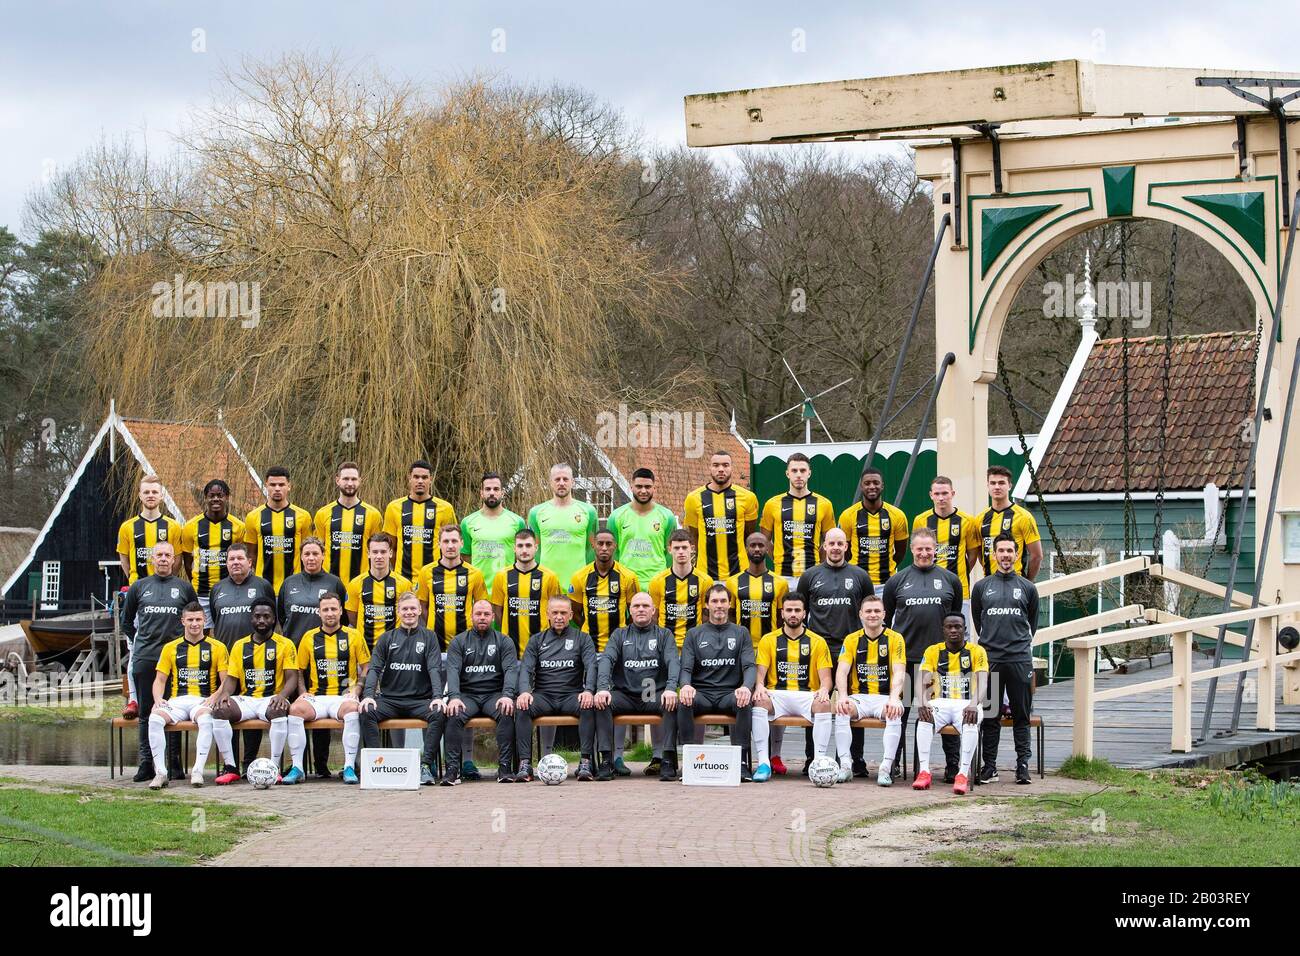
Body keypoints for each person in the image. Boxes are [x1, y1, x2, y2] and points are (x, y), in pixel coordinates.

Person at [880, 527, 964, 781]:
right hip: (905, 660)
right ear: (913, 550)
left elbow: (954, 617)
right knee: (899, 714)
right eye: (920, 548)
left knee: (944, 711)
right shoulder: (897, 581)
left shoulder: (951, 580)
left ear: (935, 549)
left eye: (929, 548)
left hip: (940, 662)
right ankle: (893, 763)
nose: (925, 553)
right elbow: (887, 616)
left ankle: (952, 766)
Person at [796, 528, 874, 776]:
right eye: (831, 543)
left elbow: (869, 609)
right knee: (817, 701)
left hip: (850, 648)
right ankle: (813, 758)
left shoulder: (860, 576)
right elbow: (801, 610)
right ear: (824, 546)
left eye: (840, 543)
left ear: (847, 546)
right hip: (819, 649)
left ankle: (855, 759)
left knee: (850, 701)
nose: (836, 548)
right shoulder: (810, 576)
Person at [121, 541, 198, 782]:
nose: (164, 559)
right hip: (146, 658)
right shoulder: (139, 587)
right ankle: (147, 763)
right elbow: (126, 622)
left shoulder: (184, 588)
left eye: (168, 555)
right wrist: (142, 641)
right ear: (152, 559)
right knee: (146, 712)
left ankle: (174, 762)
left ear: (174, 559)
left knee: (173, 711)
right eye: (159, 555)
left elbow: (194, 618)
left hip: (177, 660)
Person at [416, 523, 489, 779]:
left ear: (461, 544)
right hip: (435, 650)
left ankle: (467, 761)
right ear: (439, 544)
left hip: (464, 651)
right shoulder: (427, 573)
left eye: (454, 541)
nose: (450, 545)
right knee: (434, 705)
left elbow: (480, 608)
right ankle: (431, 761)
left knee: (461, 703)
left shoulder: (474, 574)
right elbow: (423, 609)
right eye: (445, 541)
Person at [569, 529, 640, 774]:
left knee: (614, 697)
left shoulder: (627, 577)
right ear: (593, 545)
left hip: (620, 651)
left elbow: (633, 612)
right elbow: (575, 612)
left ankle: (617, 757)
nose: (604, 548)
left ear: (615, 546)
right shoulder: (580, 577)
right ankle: (592, 757)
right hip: (589, 650)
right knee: (592, 700)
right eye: (600, 543)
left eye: (609, 544)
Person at [358, 592, 446, 786]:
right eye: (405, 609)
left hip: (419, 700)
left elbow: (434, 668)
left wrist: (438, 697)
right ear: (398, 612)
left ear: (420, 610)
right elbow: (374, 668)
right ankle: (377, 766)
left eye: (413, 608)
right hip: (390, 700)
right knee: (366, 711)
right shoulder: (386, 638)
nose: (409, 612)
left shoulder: (429, 637)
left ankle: (425, 766)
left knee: (439, 712)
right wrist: (368, 695)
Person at [972, 533, 1039, 785]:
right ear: (994, 554)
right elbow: (980, 623)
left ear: (1017, 554)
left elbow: (1032, 625)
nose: (1006, 555)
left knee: (1022, 715)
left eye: (1010, 551)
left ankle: (1023, 766)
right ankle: (990, 766)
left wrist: (1017, 644)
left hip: (1019, 659)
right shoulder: (982, 587)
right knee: (991, 716)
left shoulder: (1028, 588)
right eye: (1001, 551)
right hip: (991, 661)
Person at [146, 603, 238, 788]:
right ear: (182, 621)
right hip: (177, 701)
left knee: (206, 720)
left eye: (198, 619)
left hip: (202, 700)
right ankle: (161, 773)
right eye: (190, 620)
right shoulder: (170, 647)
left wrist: (215, 696)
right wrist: (157, 699)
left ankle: (197, 771)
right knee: (155, 719)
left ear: (205, 621)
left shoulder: (217, 647)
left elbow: (226, 680)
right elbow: (160, 680)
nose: (194, 624)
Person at [512, 596, 600, 783]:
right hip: (544, 696)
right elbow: (526, 668)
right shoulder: (536, 640)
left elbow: (592, 666)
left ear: (570, 615)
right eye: (555, 613)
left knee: (588, 705)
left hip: (572, 695)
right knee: (522, 707)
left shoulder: (582, 638)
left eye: (563, 613)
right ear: (547, 615)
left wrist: (589, 690)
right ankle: (525, 764)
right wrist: (525, 691)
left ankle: (585, 762)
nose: (559, 617)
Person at [116, 474, 183, 720]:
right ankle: (134, 699)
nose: (151, 496)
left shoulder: (173, 527)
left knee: (170, 649)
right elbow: (124, 558)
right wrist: (138, 584)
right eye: (147, 492)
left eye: (155, 492)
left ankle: (173, 696)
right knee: (135, 651)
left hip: (165, 596)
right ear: (140, 495)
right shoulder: (127, 527)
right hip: (139, 597)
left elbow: (176, 560)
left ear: (161, 495)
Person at [212, 598, 301, 782]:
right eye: (257, 616)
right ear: (250, 619)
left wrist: (283, 695)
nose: (262, 620)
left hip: (271, 699)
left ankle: (273, 767)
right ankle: (230, 767)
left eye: (266, 616)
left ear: (274, 619)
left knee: (278, 709)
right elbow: (231, 679)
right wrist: (225, 694)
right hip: (247, 699)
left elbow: (292, 677)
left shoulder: (285, 644)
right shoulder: (239, 645)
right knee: (220, 710)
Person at [645, 529, 712, 772]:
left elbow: (706, 617)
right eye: (677, 547)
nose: (681, 552)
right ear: (669, 549)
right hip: (665, 649)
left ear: (692, 549)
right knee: (654, 695)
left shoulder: (704, 581)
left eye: (685, 547)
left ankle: (697, 753)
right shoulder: (658, 581)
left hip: (695, 650)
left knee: (694, 696)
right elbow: (653, 619)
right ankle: (657, 755)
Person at [595, 592, 680, 781]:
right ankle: (606, 760)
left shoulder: (664, 634)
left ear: (653, 611)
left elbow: (673, 661)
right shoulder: (619, 634)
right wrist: (602, 688)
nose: (641, 609)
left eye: (645, 606)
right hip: (625, 696)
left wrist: (671, 688)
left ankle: (667, 759)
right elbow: (607, 659)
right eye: (636, 606)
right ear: (630, 611)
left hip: (652, 695)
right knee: (601, 703)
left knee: (672, 703)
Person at [288, 592, 370, 785]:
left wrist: (357, 690)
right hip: (317, 697)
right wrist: (302, 693)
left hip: (343, 697)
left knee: (352, 709)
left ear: (341, 611)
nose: (330, 613)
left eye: (334, 609)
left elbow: (366, 666)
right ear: (319, 612)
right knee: (294, 710)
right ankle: (297, 767)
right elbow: (299, 669)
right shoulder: (309, 637)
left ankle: (349, 766)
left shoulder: (354, 635)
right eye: (325, 609)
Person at [751, 593, 834, 783]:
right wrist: (759, 686)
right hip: (777, 694)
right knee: (759, 700)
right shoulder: (769, 639)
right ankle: (764, 762)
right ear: (782, 613)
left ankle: (819, 762)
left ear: (805, 613)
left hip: (806, 695)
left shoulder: (817, 641)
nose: (793, 614)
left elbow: (827, 678)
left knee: (823, 703)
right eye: (789, 610)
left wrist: (823, 689)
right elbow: (760, 673)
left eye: (797, 610)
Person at [677, 585, 756, 781]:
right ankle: (688, 763)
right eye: (714, 601)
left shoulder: (741, 632)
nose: (719, 605)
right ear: (706, 605)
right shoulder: (694, 634)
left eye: (723, 601)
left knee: (744, 701)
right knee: (684, 701)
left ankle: (742, 764)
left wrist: (746, 687)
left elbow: (749, 666)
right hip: (702, 694)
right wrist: (686, 685)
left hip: (729, 694)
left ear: (729, 604)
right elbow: (685, 668)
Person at [725, 532, 787, 771]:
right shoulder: (733, 582)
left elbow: (783, 619)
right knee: (738, 700)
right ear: (746, 548)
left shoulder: (779, 583)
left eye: (762, 544)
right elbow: (730, 618)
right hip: (741, 651)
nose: (757, 549)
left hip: (769, 650)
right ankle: (736, 753)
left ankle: (775, 755)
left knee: (772, 699)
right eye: (753, 545)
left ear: (769, 548)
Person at [442, 600, 518, 785]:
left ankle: (505, 768)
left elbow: (511, 670)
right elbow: (452, 671)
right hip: (468, 695)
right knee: (453, 712)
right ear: (471, 616)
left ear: (493, 616)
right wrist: (454, 697)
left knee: (506, 711)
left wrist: (507, 695)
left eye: (486, 614)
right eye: (478, 614)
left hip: (494, 695)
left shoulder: (504, 641)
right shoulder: (458, 641)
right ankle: (452, 770)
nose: (482, 617)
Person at [834, 595, 906, 786]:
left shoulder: (895, 638)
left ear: (884, 614)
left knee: (895, 712)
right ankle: (845, 766)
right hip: (860, 698)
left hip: (884, 698)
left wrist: (893, 698)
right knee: (841, 709)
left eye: (876, 611)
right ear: (860, 615)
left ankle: (885, 768)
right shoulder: (851, 639)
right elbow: (842, 671)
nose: (872, 615)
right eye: (868, 611)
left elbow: (899, 672)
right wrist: (842, 696)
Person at [913, 614, 988, 795]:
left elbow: (983, 682)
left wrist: (973, 704)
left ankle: (962, 774)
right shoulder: (933, 651)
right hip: (941, 702)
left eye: (958, 627)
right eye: (949, 627)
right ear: (943, 629)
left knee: (971, 720)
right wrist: (922, 702)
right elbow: (920, 681)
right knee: (924, 718)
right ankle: (924, 772)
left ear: (965, 629)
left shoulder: (977, 651)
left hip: (967, 702)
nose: (953, 630)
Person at [912, 475, 982, 630]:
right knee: (931, 631)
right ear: (931, 495)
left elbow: (972, 555)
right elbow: (918, 552)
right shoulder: (921, 520)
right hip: (928, 589)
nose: (941, 498)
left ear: (953, 494)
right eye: (937, 494)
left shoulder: (967, 521)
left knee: (961, 632)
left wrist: (957, 576)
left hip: (959, 589)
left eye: (945, 493)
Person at [683, 449, 760, 582]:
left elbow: (750, 534)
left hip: (739, 573)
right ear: (710, 468)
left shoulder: (748, 497)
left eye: (725, 465)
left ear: (732, 468)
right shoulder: (693, 498)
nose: (721, 469)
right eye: (716, 465)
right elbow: (694, 535)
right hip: (705, 575)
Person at [760, 453, 835, 581]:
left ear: (809, 473)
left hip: (813, 575)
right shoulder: (772, 504)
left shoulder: (824, 504)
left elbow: (829, 542)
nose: (799, 474)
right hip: (782, 576)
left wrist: (818, 561)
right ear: (787, 473)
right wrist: (778, 559)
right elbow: (764, 541)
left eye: (803, 470)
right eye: (794, 470)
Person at [180, 478, 244, 627]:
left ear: (227, 497)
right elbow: (187, 561)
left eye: (220, 495)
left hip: (229, 590)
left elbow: (240, 559)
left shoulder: (238, 527)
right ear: (205, 497)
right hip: (201, 591)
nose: (216, 499)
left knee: (227, 631)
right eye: (211, 495)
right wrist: (197, 578)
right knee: (202, 632)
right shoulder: (191, 527)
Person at [490, 528, 563, 657]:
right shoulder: (501, 576)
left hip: (543, 650)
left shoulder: (550, 576)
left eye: (528, 545)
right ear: (514, 548)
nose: (524, 550)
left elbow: (556, 612)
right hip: (510, 651)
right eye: (520, 546)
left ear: (536, 547)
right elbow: (497, 611)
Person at [243, 465, 313, 596]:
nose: (277, 488)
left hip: (296, 587)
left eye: (281, 484)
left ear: (289, 486)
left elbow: (307, 551)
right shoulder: (253, 517)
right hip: (263, 587)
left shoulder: (303, 516)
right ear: (266, 486)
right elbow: (251, 553)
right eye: (273, 485)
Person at [384, 460, 457, 582]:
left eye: (424, 477)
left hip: (435, 578)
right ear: (409, 478)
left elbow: (450, 544)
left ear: (431, 479)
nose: (420, 481)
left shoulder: (445, 508)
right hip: (403, 579)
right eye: (416, 477)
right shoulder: (394, 507)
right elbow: (391, 547)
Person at [526, 463, 599, 586]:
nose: (561, 483)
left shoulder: (589, 512)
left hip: (577, 584)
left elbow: (591, 549)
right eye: (557, 479)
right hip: (546, 584)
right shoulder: (536, 513)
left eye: (565, 479)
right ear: (550, 482)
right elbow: (535, 550)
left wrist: (589, 578)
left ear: (572, 482)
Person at [313, 461, 383, 586]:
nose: (350, 483)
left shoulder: (373, 514)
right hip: (328, 583)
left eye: (353, 479)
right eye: (345, 479)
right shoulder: (322, 514)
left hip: (362, 583)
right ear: (337, 480)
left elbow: (377, 550)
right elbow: (318, 549)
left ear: (360, 481)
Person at [837, 468, 908, 589]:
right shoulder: (848, 515)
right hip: (857, 582)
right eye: (867, 483)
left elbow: (900, 552)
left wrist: (887, 567)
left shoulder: (898, 515)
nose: (871, 486)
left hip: (887, 583)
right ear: (861, 486)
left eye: (876, 482)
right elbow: (845, 551)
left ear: (882, 486)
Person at [607, 467, 676, 589]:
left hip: (657, 583)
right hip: (627, 583)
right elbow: (613, 552)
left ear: (654, 488)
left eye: (648, 487)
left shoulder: (667, 516)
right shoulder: (616, 516)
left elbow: (670, 553)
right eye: (639, 486)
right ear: (631, 487)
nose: (643, 491)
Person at [345, 532, 411, 651]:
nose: (379, 556)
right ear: (368, 554)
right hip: (365, 651)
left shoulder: (404, 584)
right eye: (375, 552)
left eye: (383, 552)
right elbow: (352, 618)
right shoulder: (355, 584)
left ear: (390, 553)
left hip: (395, 649)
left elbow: (407, 616)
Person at [976, 465, 1043, 580]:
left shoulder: (1024, 517)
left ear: (1009, 486)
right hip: (989, 584)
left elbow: (1037, 556)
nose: (997, 487)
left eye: (1001, 483)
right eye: (993, 483)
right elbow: (980, 553)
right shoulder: (980, 519)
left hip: (1016, 582)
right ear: (988, 486)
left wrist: (1027, 582)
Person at [276, 537, 349, 642]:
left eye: (315, 554)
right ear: (301, 556)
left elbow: (343, 618)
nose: (311, 558)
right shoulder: (289, 583)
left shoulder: (335, 583)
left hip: (325, 648)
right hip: (294, 646)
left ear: (323, 556)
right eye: (307, 554)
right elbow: (282, 616)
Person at [460, 472, 526, 586]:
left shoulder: (517, 521)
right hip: (478, 590)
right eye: (488, 489)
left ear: (502, 493)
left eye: (496, 489)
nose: (492, 492)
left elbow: (520, 557)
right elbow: (465, 557)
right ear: (481, 493)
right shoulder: (467, 522)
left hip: (507, 588)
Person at [208, 542, 275, 648]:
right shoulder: (217, 588)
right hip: (225, 653)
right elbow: (215, 617)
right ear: (226, 563)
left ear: (249, 562)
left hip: (256, 652)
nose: (235, 562)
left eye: (240, 558)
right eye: (231, 559)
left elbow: (272, 618)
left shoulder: (263, 585)